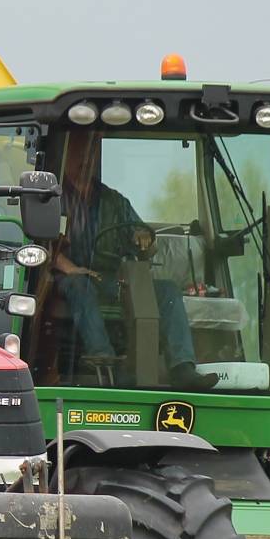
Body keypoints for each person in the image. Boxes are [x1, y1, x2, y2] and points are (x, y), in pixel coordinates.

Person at [53, 141, 219, 391]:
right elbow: (41, 246)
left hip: (108, 278)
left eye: (89, 152)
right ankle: (106, 364)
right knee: (79, 286)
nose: (84, 159)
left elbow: (146, 242)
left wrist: (145, 239)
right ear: (65, 156)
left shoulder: (115, 202)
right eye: (78, 151)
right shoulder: (53, 199)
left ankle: (182, 367)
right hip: (67, 278)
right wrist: (70, 268)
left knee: (167, 291)